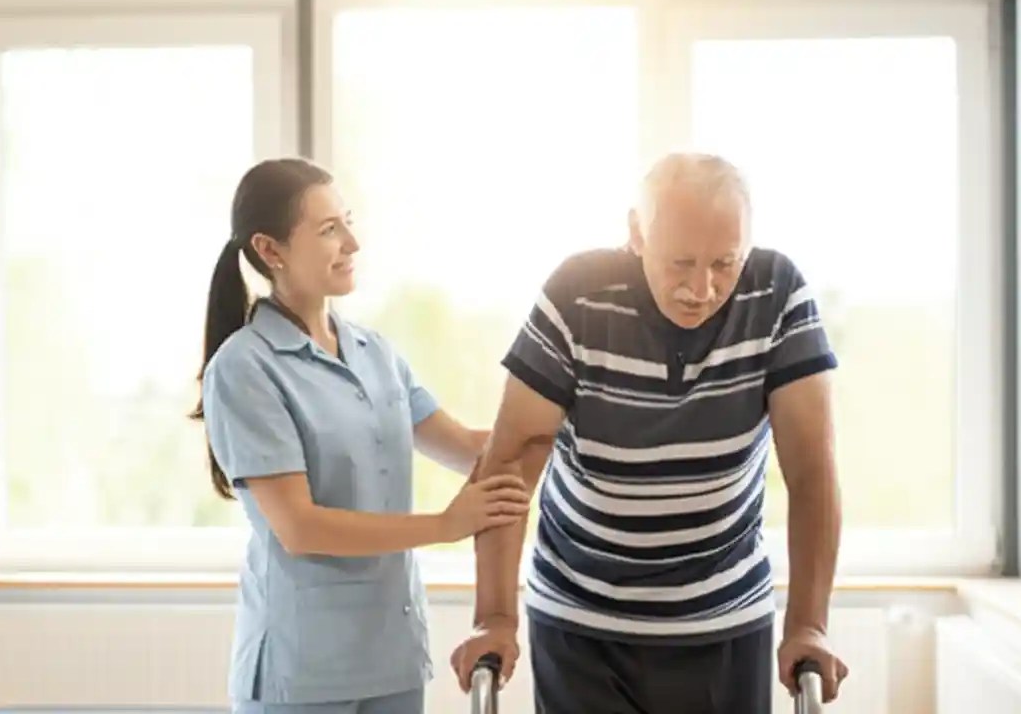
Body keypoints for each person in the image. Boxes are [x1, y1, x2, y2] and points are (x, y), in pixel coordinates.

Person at [450, 152, 850, 713]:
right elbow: (514, 459)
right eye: (680, 263)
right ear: (637, 234)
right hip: (581, 621)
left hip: (724, 618)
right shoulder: (578, 294)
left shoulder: (777, 293)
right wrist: (494, 616)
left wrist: (809, 624)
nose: (702, 289)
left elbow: (811, 469)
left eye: (724, 263)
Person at [193, 158, 530, 714]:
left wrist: (564, 422)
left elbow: (470, 446)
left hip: (391, 657)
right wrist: (446, 526)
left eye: (348, 221)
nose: (352, 241)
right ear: (271, 250)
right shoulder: (243, 369)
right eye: (328, 229)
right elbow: (299, 527)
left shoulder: (375, 354)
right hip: (305, 672)